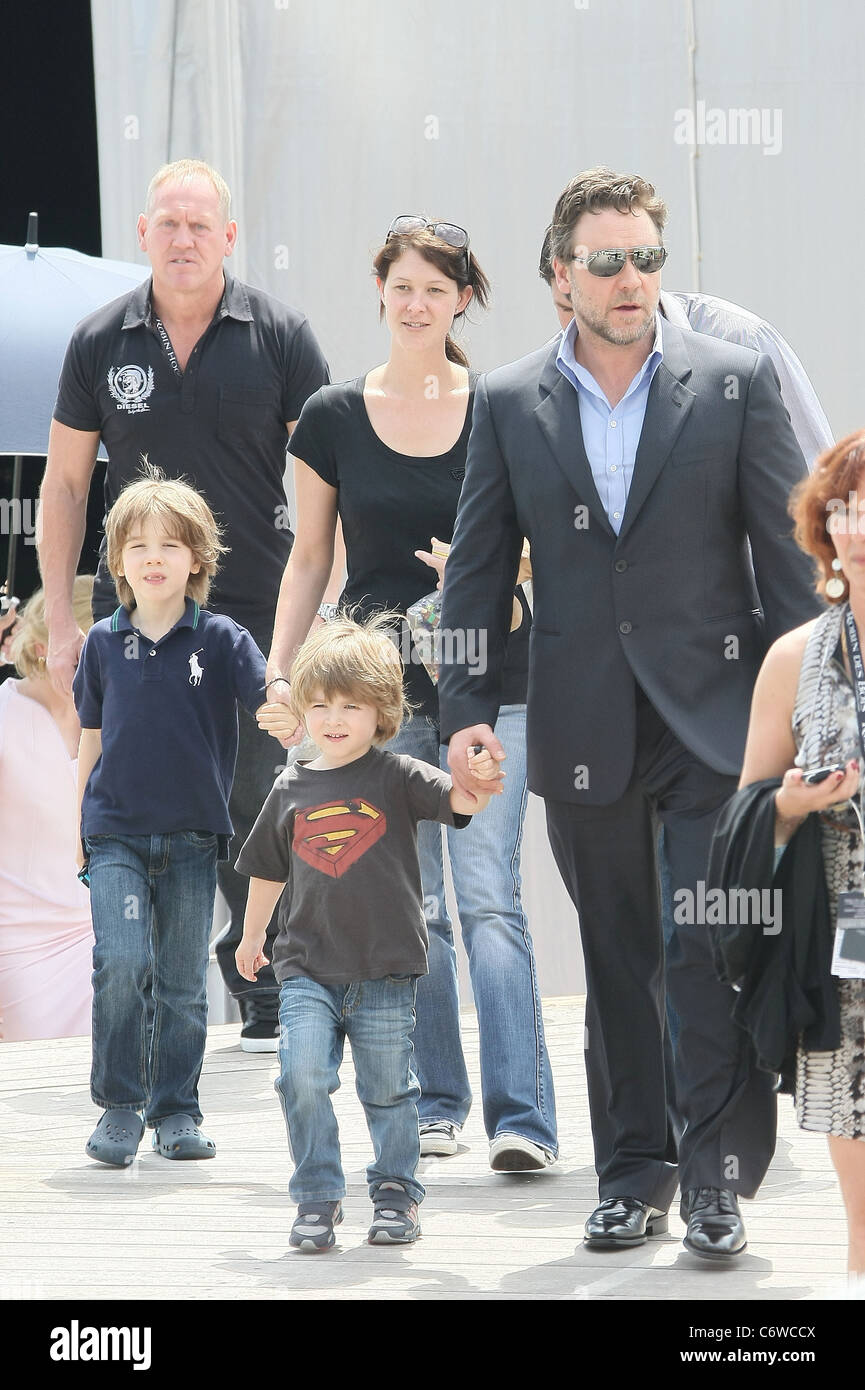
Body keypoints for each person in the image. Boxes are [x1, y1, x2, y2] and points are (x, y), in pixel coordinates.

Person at [438, 166, 821, 1259]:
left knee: (706, 944)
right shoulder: (509, 402)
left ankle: (714, 1182)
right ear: (560, 276)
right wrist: (464, 707)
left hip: (720, 716)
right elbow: (472, 574)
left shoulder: (736, 381)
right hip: (580, 718)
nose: (629, 279)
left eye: (646, 257)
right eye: (604, 261)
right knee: (615, 955)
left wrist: (814, 710)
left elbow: (788, 571)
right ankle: (631, 1175)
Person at [262, 215, 558, 1172]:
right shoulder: (331, 417)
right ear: (380, 293)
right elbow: (309, 558)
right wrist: (281, 669)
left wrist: (498, 583)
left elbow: (550, 548)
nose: (418, 302)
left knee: (489, 903)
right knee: (412, 906)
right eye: (403, 286)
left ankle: (523, 1123)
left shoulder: (509, 404)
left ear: (462, 297)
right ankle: (436, 1104)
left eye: (437, 287)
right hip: (375, 698)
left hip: (488, 687)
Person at [39, 158, 331, 1051]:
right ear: (141, 234)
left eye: (201, 225)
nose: (184, 239)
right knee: (154, 800)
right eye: (168, 223)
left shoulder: (280, 334)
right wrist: (60, 617)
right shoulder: (99, 341)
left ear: (229, 237)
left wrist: (315, 612)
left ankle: (273, 985)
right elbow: (63, 484)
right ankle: (167, 1010)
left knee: (257, 798)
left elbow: (326, 480)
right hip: (142, 624)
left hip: (254, 618)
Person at [236, 615, 501, 1250]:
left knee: (387, 1089)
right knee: (300, 1075)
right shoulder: (290, 787)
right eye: (321, 704)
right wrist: (250, 940)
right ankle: (318, 1195)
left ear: (382, 711)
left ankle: (394, 1190)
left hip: (384, 969)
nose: (334, 717)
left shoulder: (399, 774)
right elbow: (266, 873)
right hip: (306, 967)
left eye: (352, 705)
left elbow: (461, 804)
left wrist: (481, 780)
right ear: (302, 708)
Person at [73, 467, 268, 1166]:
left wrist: (284, 702)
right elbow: (90, 742)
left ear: (198, 559)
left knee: (183, 982)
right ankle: (120, 1107)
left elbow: (266, 688)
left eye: (171, 545)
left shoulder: (220, 637)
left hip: (191, 835)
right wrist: (80, 832)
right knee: (122, 962)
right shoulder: (102, 644)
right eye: (138, 546)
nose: (154, 557)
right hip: (114, 831)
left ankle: (177, 1111)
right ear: (119, 562)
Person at [736, 430, 865, 1278]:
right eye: (844, 506)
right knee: (852, 1106)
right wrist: (793, 798)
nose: (856, 524)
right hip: (841, 928)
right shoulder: (794, 655)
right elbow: (748, 807)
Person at [539, 225, 834, 469]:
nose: (585, 326)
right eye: (569, 308)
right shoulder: (542, 382)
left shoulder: (744, 342)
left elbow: (818, 480)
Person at [0, 577, 95, 1040]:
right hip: (19, 944)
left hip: (107, 936)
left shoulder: (121, 718)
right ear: (43, 648)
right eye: (84, 657)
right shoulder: (4, 718)